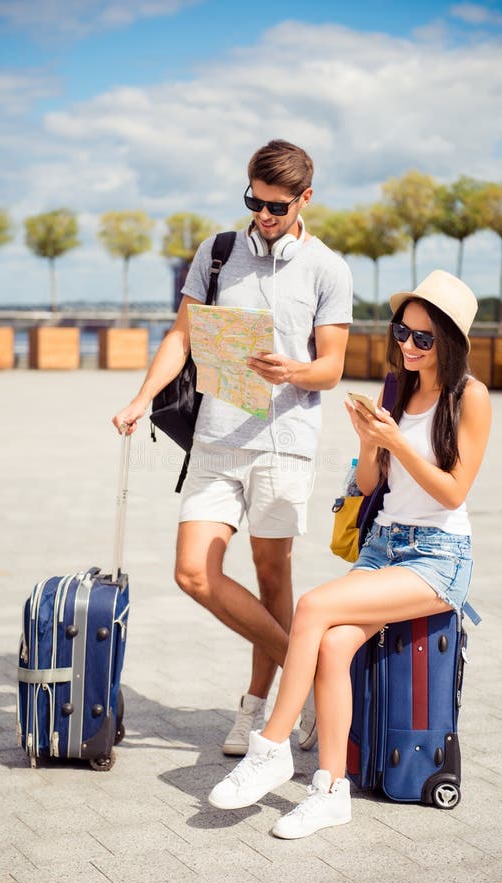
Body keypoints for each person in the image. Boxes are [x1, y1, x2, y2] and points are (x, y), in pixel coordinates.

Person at [208, 269, 491, 838]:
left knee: (312, 607)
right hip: (383, 546)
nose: (407, 346)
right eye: (402, 333)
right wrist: (370, 446)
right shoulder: (396, 387)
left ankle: (271, 747)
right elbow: (367, 484)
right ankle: (332, 789)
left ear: (450, 344)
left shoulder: (471, 397)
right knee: (335, 645)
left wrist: (398, 443)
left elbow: (454, 491)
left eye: (423, 339)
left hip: (438, 558)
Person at [112, 139, 353, 756]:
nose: (264, 216)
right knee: (194, 571)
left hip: (284, 442)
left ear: (305, 199)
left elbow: (331, 369)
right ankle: (315, 674)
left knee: (273, 575)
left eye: (277, 206)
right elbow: (182, 336)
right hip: (217, 439)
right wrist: (142, 399)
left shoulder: (328, 267)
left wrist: (291, 371)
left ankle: (256, 708)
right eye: (255, 201)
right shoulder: (217, 253)